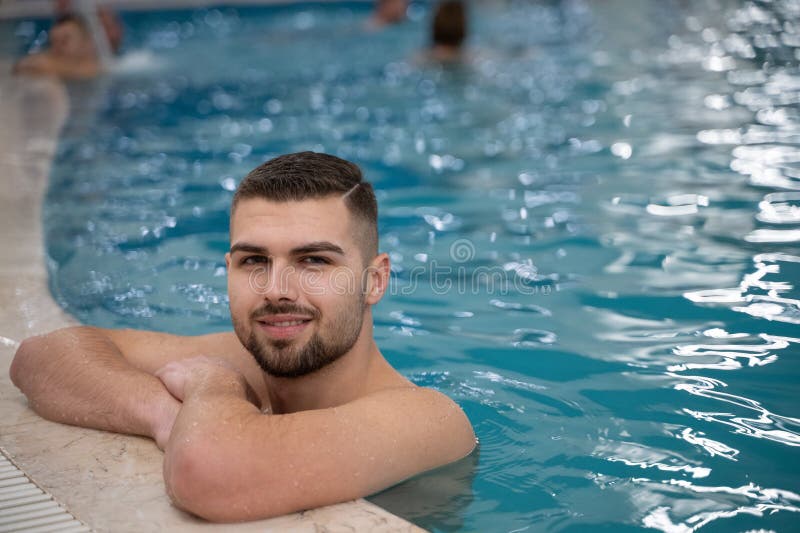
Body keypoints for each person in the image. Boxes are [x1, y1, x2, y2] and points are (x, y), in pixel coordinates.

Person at [10, 151, 476, 522]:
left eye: (314, 261)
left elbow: (205, 472)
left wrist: (212, 387)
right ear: (228, 269)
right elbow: (42, 356)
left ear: (374, 281)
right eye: (254, 260)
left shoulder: (429, 419)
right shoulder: (248, 354)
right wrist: (164, 415)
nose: (275, 291)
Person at [12, 14, 100, 79]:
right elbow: (20, 65)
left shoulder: (94, 68)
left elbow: (87, 70)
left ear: (86, 44)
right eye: (54, 41)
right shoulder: (49, 62)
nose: (57, 47)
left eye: (64, 41)